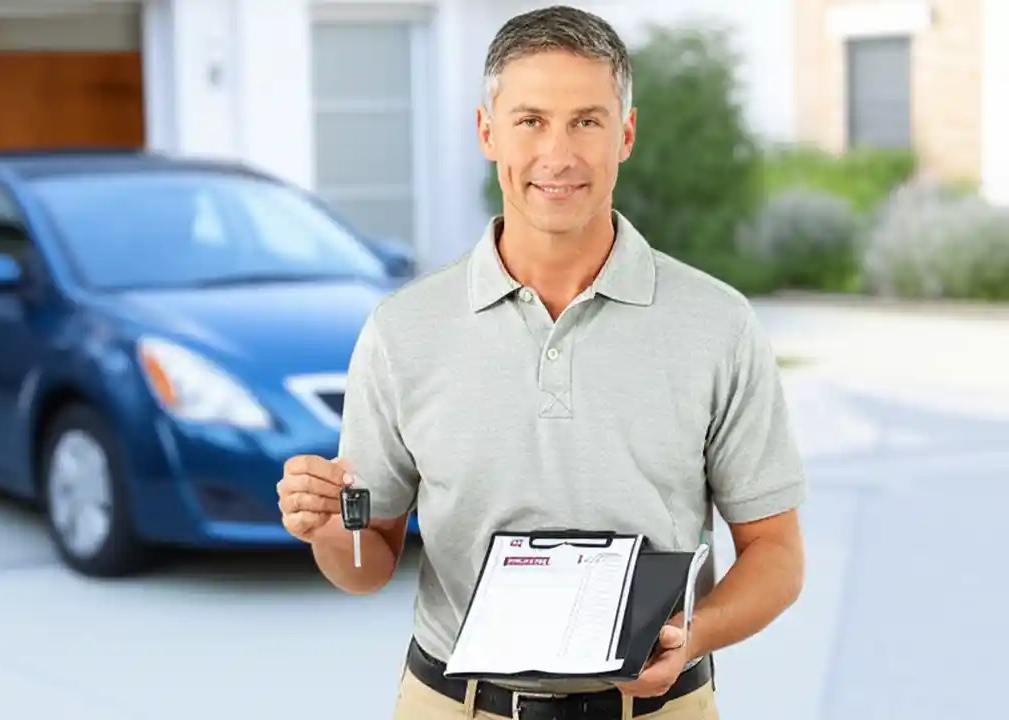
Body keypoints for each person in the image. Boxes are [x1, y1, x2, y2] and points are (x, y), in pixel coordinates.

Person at [275, 6, 807, 719]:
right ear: (487, 131)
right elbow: (368, 564)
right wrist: (329, 527)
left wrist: (697, 633)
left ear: (625, 133)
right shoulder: (404, 330)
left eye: (586, 121)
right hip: (453, 707)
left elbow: (775, 553)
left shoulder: (718, 324)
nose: (557, 154)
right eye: (530, 120)